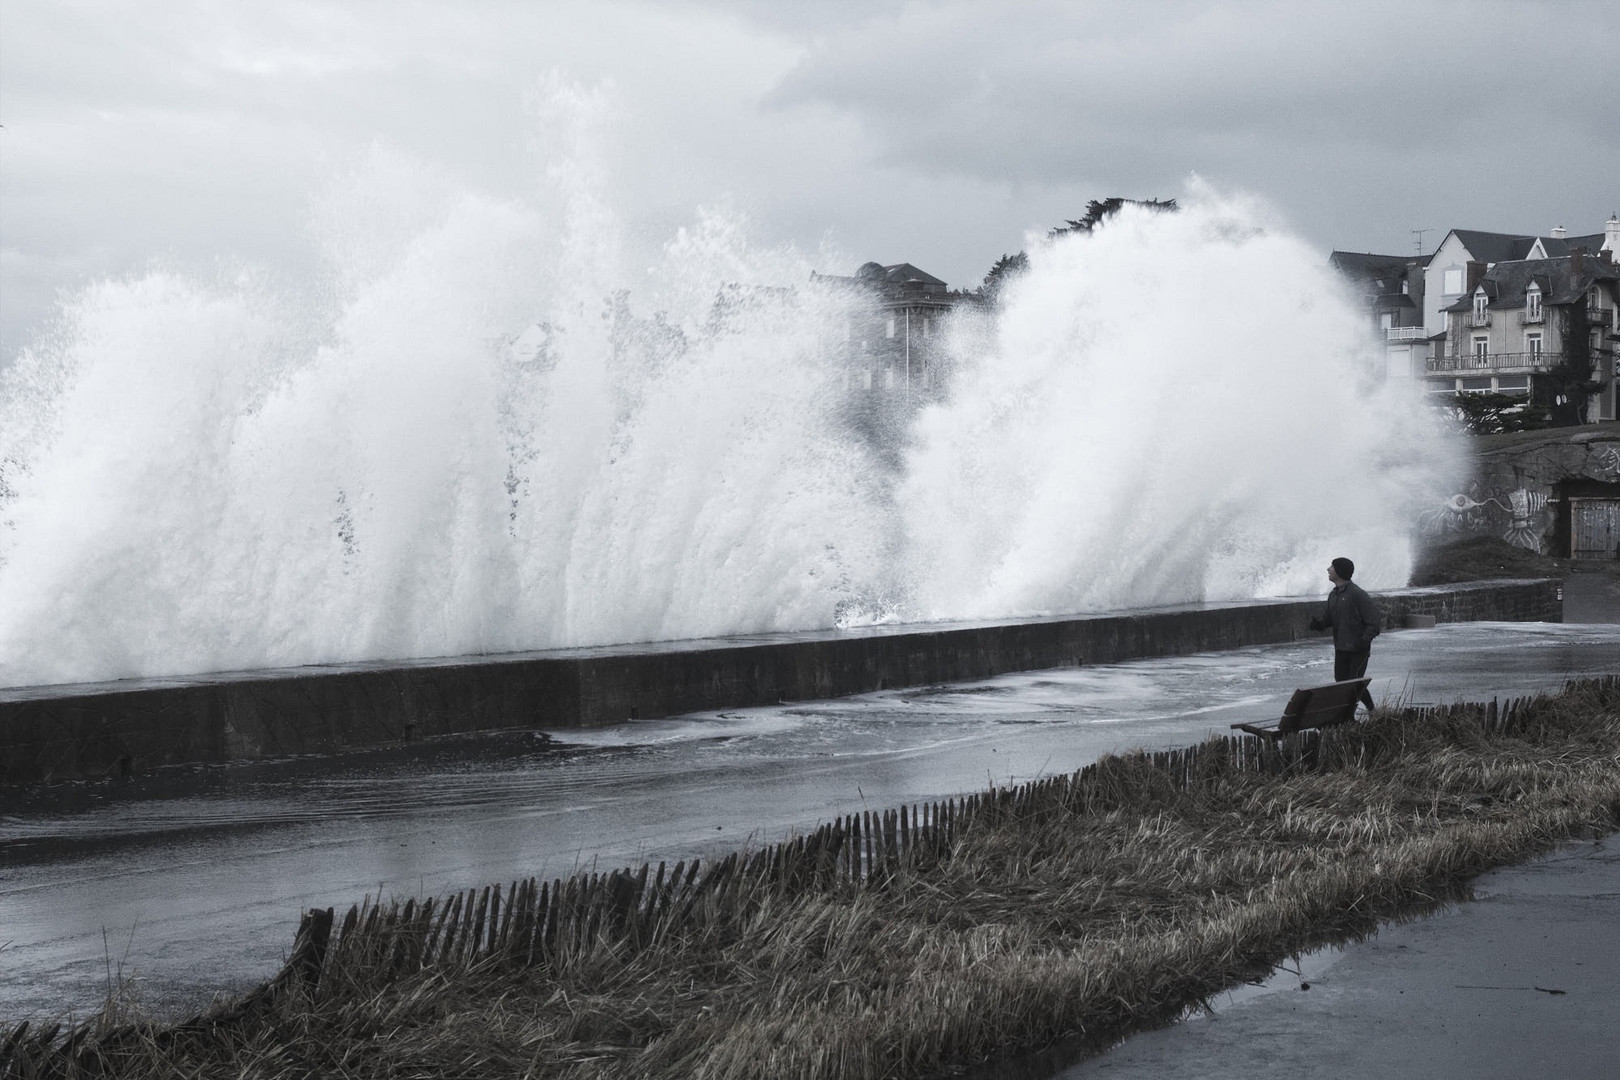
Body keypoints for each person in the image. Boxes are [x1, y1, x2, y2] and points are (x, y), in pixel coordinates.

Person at [1309, 556, 1380, 713]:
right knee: (1342, 683)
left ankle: (1371, 710)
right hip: (1341, 648)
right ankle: (1350, 716)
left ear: (1339, 571)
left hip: (1358, 649)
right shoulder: (1333, 595)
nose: (1328, 569)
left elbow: (1374, 620)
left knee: (1353, 684)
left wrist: (1365, 640)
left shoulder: (1357, 594)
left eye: (1332, 566)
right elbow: (1329, 619)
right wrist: (1319, 624)